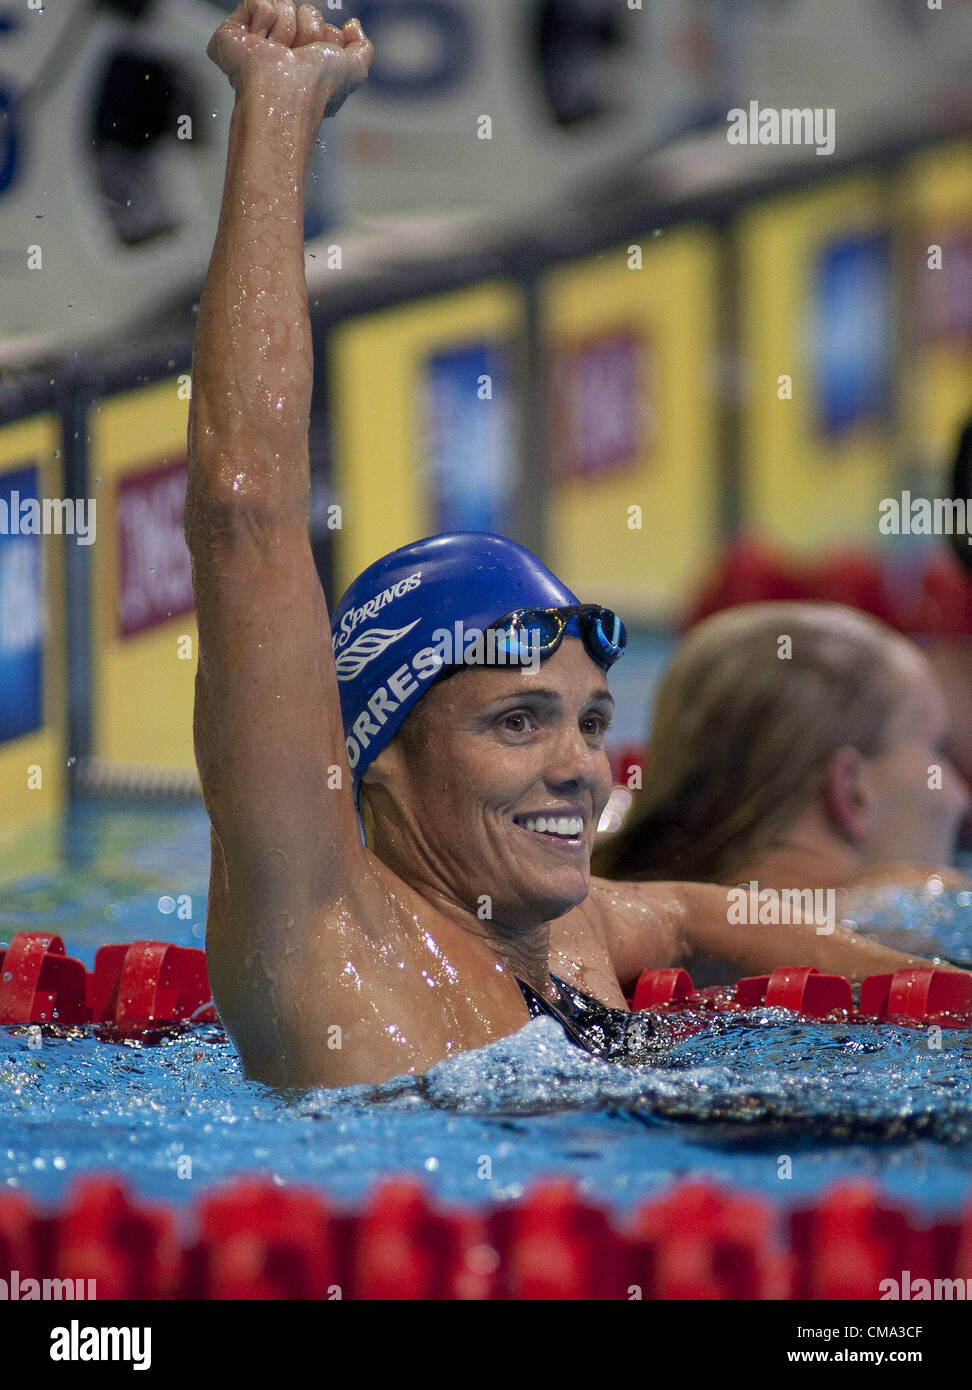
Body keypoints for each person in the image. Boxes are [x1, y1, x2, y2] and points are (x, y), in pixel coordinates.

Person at [186, 2, 958, 1090]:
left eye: (590, 721)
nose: (579, 771)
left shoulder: (568, 928)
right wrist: (276, 105)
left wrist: (932, 994)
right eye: (517, 721)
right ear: (380, 747)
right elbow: (242, 509)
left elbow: (688, 915)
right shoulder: (327, 936)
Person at [592, 602, 971, 894]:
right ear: (852, 790)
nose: (958, 795)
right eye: (937, 749)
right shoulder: (913, 922)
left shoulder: (592, 913)